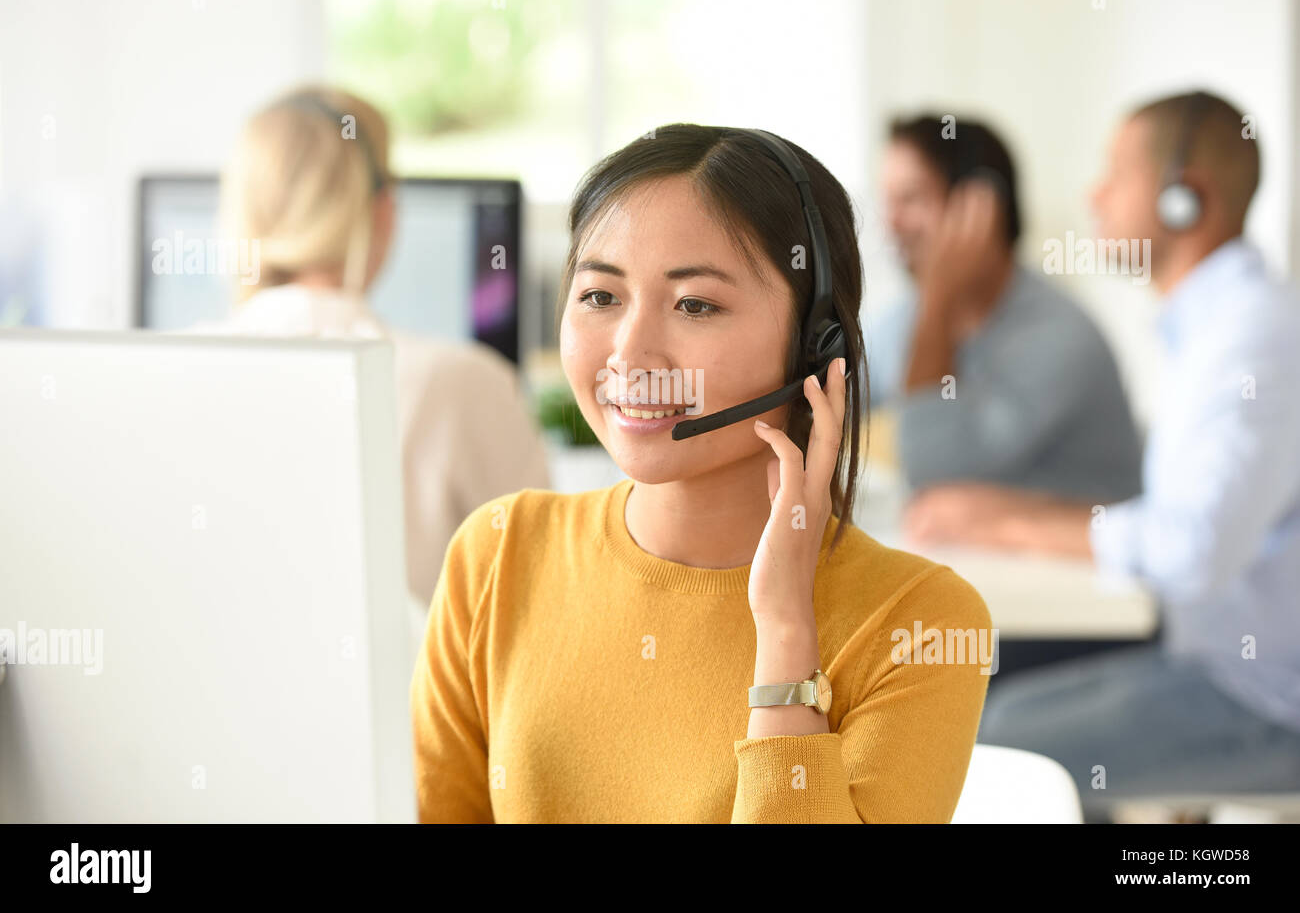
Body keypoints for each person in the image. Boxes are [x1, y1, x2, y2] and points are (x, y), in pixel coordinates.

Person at [410, 123, 994, 823]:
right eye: (600, 295)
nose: (631, 354)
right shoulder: (496, 554)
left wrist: (785, 634)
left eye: (695, 304)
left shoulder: (922, 624)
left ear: (815, 346)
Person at [904, 90, 1300, 820]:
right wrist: (1009, 511)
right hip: (1202, 658)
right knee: (968, 699)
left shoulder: (1253, 341)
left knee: (991, 745)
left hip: (1266, 698)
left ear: (1186, 197)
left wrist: (1007, 527)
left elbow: (1191, 549)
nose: (1094, 192)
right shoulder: (1212, 326)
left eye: (1116, 173)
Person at [199, 85, 551, 653]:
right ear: (382, 209)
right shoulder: (462, 381)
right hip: (418, 734)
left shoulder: (173, 372)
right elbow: (544, 596)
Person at [871, 115, 1142, 504]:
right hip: (986, 560)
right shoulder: (900, 320)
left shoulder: (1059, 338)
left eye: (910, 199)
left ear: (979, 209)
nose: (890, 224)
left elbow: (931, 467)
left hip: (1079, 563)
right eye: (887, 201)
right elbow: (825, 401)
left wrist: (937, 299)